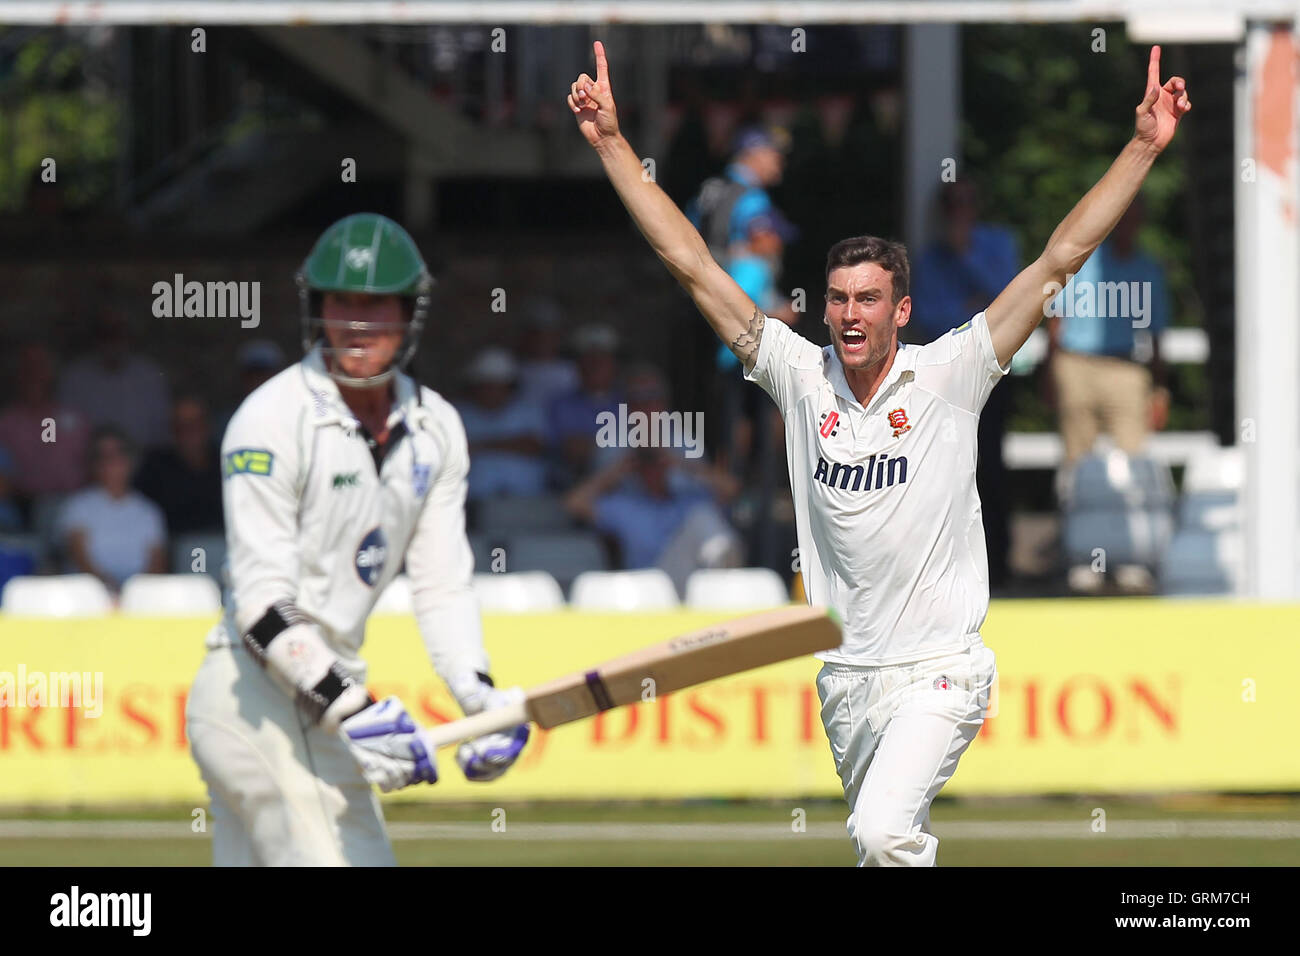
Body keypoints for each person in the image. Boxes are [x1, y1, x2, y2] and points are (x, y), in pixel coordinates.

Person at [568, 41, 1188, 865]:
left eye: (868, 299)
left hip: (940, 668)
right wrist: (613, 142)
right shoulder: (797, 374)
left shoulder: (952, 370)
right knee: (873, 849)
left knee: (885, 832)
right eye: (836, 300)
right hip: (846, 681)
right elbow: (691, 262)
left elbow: (1059, 260)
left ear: (902, 311)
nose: (850, 314)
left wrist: (1143, 146)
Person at [185, 213, 529, 866]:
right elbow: (259, 601)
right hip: (252, 699)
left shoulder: (438, 428)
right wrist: (352, 709)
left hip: (322, 706)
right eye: (343, 301)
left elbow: (440, 582)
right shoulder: (270, 419)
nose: (358, 322)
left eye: (377, 304)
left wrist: (477, 695)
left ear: (409, 314)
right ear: (318, 308)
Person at [1046, 195, 1172, 594]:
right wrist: (1052, 371)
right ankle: (1081, 557)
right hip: (1077, 363)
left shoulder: (1147, 267)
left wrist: (1160, 389)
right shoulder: (1085, 263)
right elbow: (1057, 322)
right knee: (1076, 467)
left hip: (1124, 366)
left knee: (1133, 464)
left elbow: (1156, 337)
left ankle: (1131, 555)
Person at [911, 181, 1021, 589]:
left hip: (991, 374)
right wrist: (971, 309)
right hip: (946, 377)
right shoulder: (927, 260)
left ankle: (1000, 566)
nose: (959, 215)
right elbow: (929, 315)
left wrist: (966, 256)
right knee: (947, 470)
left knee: (990, 467)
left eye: (965, 205)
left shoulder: (998, 244)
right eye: (951, 208)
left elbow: (1009, 303)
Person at [564, 445, 742, 596]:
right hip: (649, 586)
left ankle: (724, 572)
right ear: (636, 470)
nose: (653, 471)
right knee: (705, 521)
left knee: (703, 516)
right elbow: (574, 503)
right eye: (647, 465)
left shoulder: (687, 499)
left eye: (659, 464)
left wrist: (683, 463)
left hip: (693, 578)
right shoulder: (625, 506)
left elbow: (732, 489)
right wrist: (617, 470)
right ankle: (726, 574)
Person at [55, 425, 167, 593]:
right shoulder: (77, 506)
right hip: (88, 596)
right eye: (103, 456)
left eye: (118, 453)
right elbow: (79, 558)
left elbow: (157, 564)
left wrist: (135, 595)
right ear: (93, 463)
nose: (111, 461)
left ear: (131, 459)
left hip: (140, 600)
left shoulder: (148, 511)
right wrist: (109, 591)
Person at [58, 306, 170, 451]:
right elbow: (66, 430)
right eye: (105, 333)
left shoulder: (149, 375)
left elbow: (162, 430)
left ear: (128, 334)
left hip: (146, 463)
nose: (112, 339)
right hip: (92, 465)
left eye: (117, 331)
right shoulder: (75, 378)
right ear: (95, 336)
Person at [0, 342, 92, 501]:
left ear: (52, 372)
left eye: (40, 365)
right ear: (18, 373)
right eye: (28, 366)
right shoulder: (6, 423)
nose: (34, 373)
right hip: (21, 507)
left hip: (71, 505)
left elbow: (95, 467)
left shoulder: (76, 420)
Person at [455, 347, 549, 501]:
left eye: (497, 385)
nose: (491, 391)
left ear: (509, 386)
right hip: (473, 502)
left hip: (526, 498)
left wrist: (481, 445)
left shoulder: (528, 410)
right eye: (485, 385)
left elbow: (534, 446)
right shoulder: (460, 412)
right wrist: (510, 443)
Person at [135, 394, 224, 537]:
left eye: (195, 422)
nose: (189, 430)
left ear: (208, 425)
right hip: (170, 550)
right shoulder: (155, 466)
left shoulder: (225, 460)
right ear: (172, 429)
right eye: (182, 424)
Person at [547, 323, 624, 484]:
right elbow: (573, 450)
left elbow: (648, 446)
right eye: (589, 360)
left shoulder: (630, 401)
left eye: (602, 359)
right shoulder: (560, 404)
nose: (595, 366)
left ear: (614, 364)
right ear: (578, 365)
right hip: (572, 486)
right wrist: (621, 447)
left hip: (622, 486)